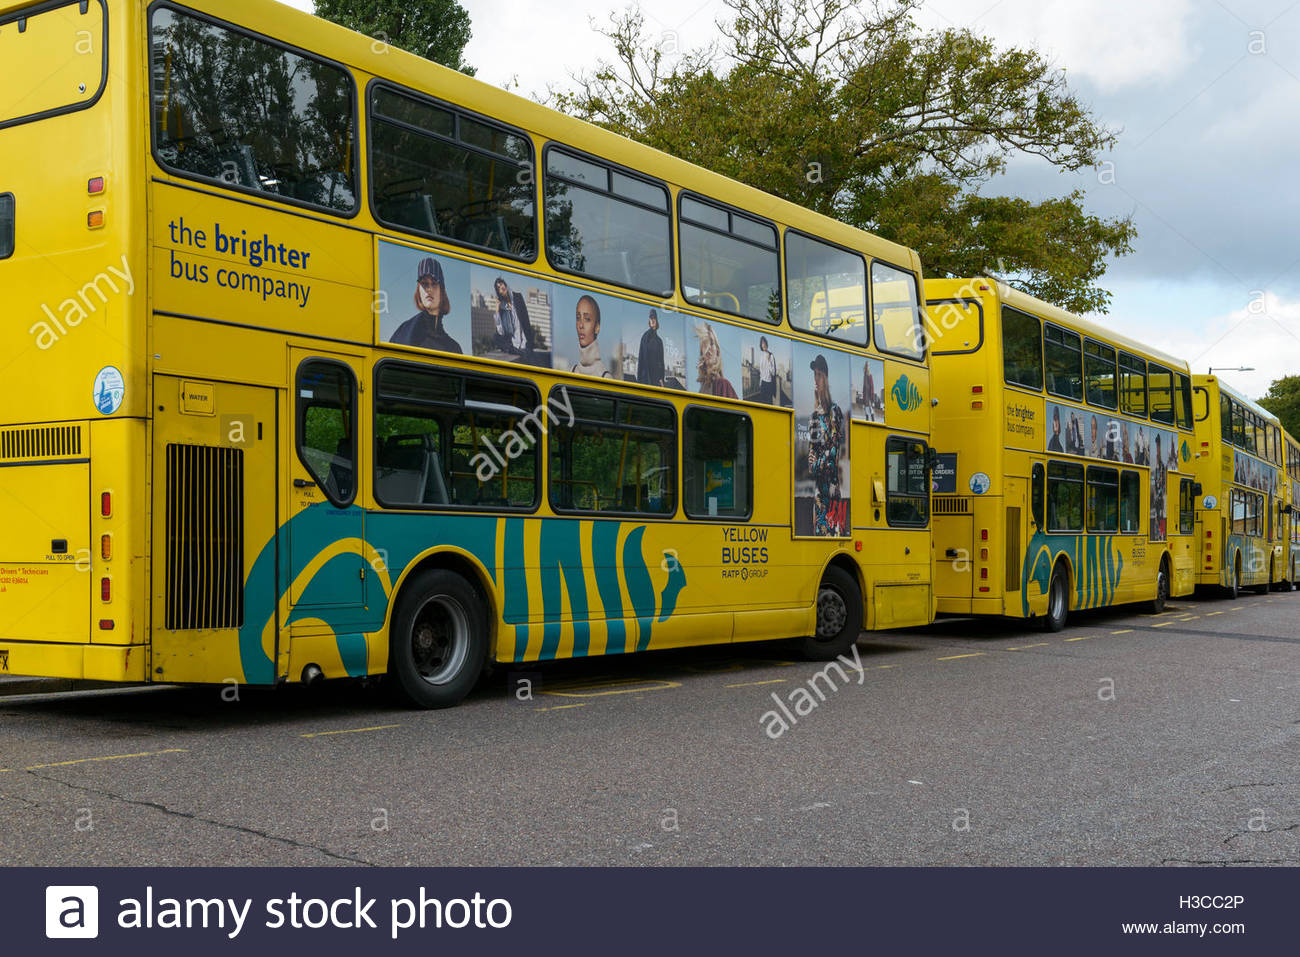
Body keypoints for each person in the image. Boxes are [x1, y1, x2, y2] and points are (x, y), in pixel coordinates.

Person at [807, 354, 846, 536]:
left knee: (832, 538)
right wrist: (817, 462)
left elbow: (832, 456)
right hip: (818, 495)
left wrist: (817, 462)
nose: (816, 379)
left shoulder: (834, 412)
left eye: (819, 374)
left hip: (830, 490)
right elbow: (811, 459)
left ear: (825, 378)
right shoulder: (814, 416)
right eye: (814, 374)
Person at [390, 257, 462, 353]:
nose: (429, 289)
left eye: (434, 283)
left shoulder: (453, 347)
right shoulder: (405, 332)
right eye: (424, 284)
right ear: (418, 290)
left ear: (442, 290)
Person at [492, 276, 534, 359]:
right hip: (513, 344)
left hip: (524, 343)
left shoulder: (517, 297)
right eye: (498, 288)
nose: (501, 287)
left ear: (505, 284)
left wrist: (530, 342)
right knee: (495, 337)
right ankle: (514, 349)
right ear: (498, 292)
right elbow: (501, 332)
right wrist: (497, 310)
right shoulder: (503, 306)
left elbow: (526, 320)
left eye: (501, 284)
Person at [571, 294, 611, 377]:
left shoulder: (605, 377)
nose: (581, 325)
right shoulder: (572, 370)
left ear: (597, 327)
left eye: (587, 319)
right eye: (578, 318)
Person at [696, 323, 738, 398]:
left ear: (717, 351)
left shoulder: (723, 385)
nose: (708, 349)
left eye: (711, 344)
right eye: (705, 344)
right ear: (701, 352)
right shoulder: (701, 389)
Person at [636, 309, 666, 387]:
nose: (652, 320)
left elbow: (661, 362)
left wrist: (661, 379)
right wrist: (639, 381)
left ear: (657, 320)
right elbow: (641, 358)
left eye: (654, 318)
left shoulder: (659, 341)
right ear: (649, 320)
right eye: (651, 318)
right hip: (645, 378)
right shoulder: (645, 337)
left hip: (656, 379)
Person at [757, 336, 778, 404]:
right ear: (761, 345)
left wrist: (769, 361)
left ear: (766, 344)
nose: (764, 345)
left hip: (769, 383)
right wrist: (760, 383)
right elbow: (761, 372)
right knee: (762, 404)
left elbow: (773, 373)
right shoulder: (761, 357)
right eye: (762, 343)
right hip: (763, 383)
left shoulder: (771, 356)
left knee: (769, 403)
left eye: (764, 343)